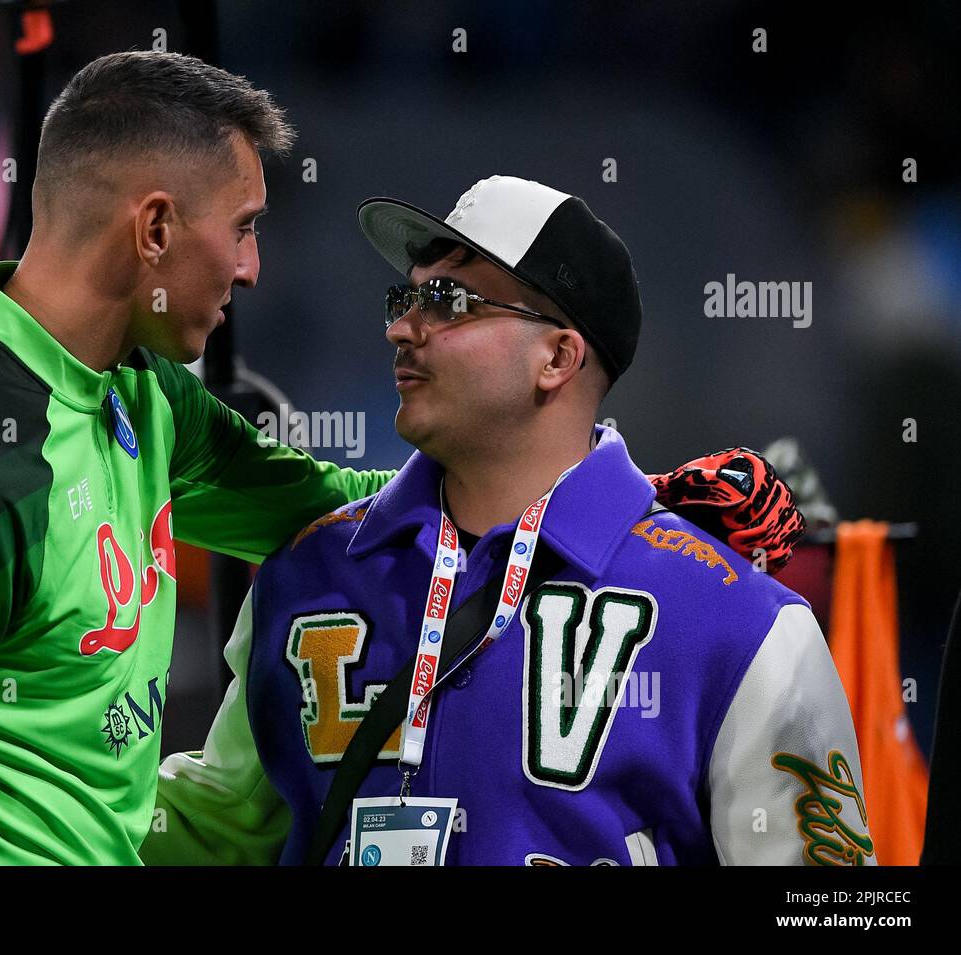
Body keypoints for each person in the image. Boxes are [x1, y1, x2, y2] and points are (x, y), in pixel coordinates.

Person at [142, 176, 869, 866]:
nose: (402, 328)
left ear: (557, 356)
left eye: (451, 301)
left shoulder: (738, 620)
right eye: (407, 296)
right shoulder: (307, 573)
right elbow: (217, 829)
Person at [0, 51, 397, 866]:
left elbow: (332, 510)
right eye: (243, 227)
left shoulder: (140, 392)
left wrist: (583, 488)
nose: (251, 268)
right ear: (154, 229)